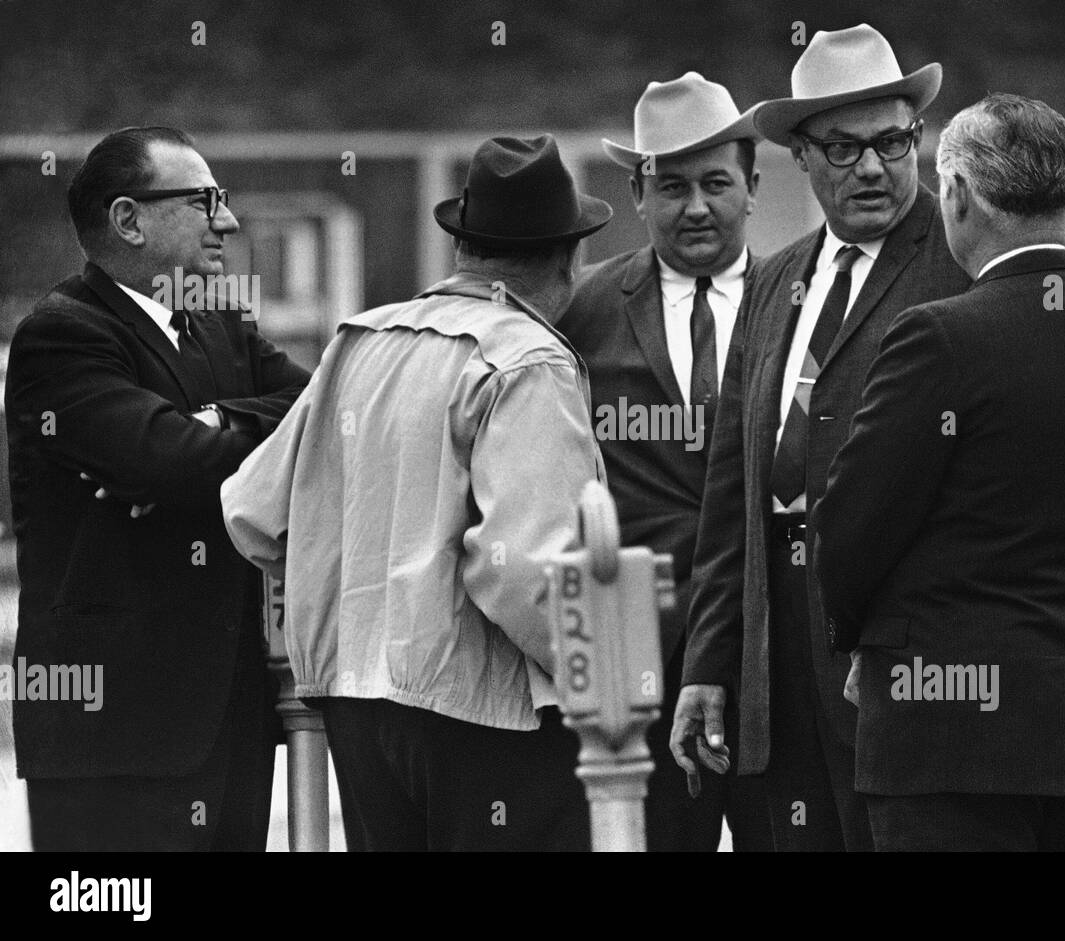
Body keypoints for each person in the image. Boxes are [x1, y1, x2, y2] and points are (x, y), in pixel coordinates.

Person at [222, 135, 612, 852]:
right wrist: (606, 677)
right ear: (567, 257)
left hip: (355, 702)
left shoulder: (359, 340)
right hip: (491, 716)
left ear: (463, 247)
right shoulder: (529, 360)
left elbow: (252, 511)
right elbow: (522, 570)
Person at [813, 93, 1065, 851]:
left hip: (952, 748)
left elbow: (851, 529)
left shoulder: (938, 338)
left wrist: (859, 642)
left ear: (957, 194)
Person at [669, 24, 970, 852]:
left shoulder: (963, 265)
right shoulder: (774, 278)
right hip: (779, 655)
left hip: (902, 655)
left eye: (892, 141)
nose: (872, 167)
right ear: (800, 157)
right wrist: (707, 665)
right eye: (842, 148)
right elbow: (731, 493)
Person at [6, 126, 310, 851]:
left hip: (227, 723)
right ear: (128, 219)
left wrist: (215, 419)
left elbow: (322, 408)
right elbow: (169, 464)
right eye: (204, 200)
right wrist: (208, 445)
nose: (227, 220)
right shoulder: (62, 335)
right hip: (115, 737)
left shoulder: (218, 324)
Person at [560, 72, 771, 852]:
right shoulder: (581, 307)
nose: (695, 207)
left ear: (752, 187)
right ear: (638, 192)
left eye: (716, 183)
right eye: (671, 185)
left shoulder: (804, 300)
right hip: (638, 664)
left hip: (770, 659)